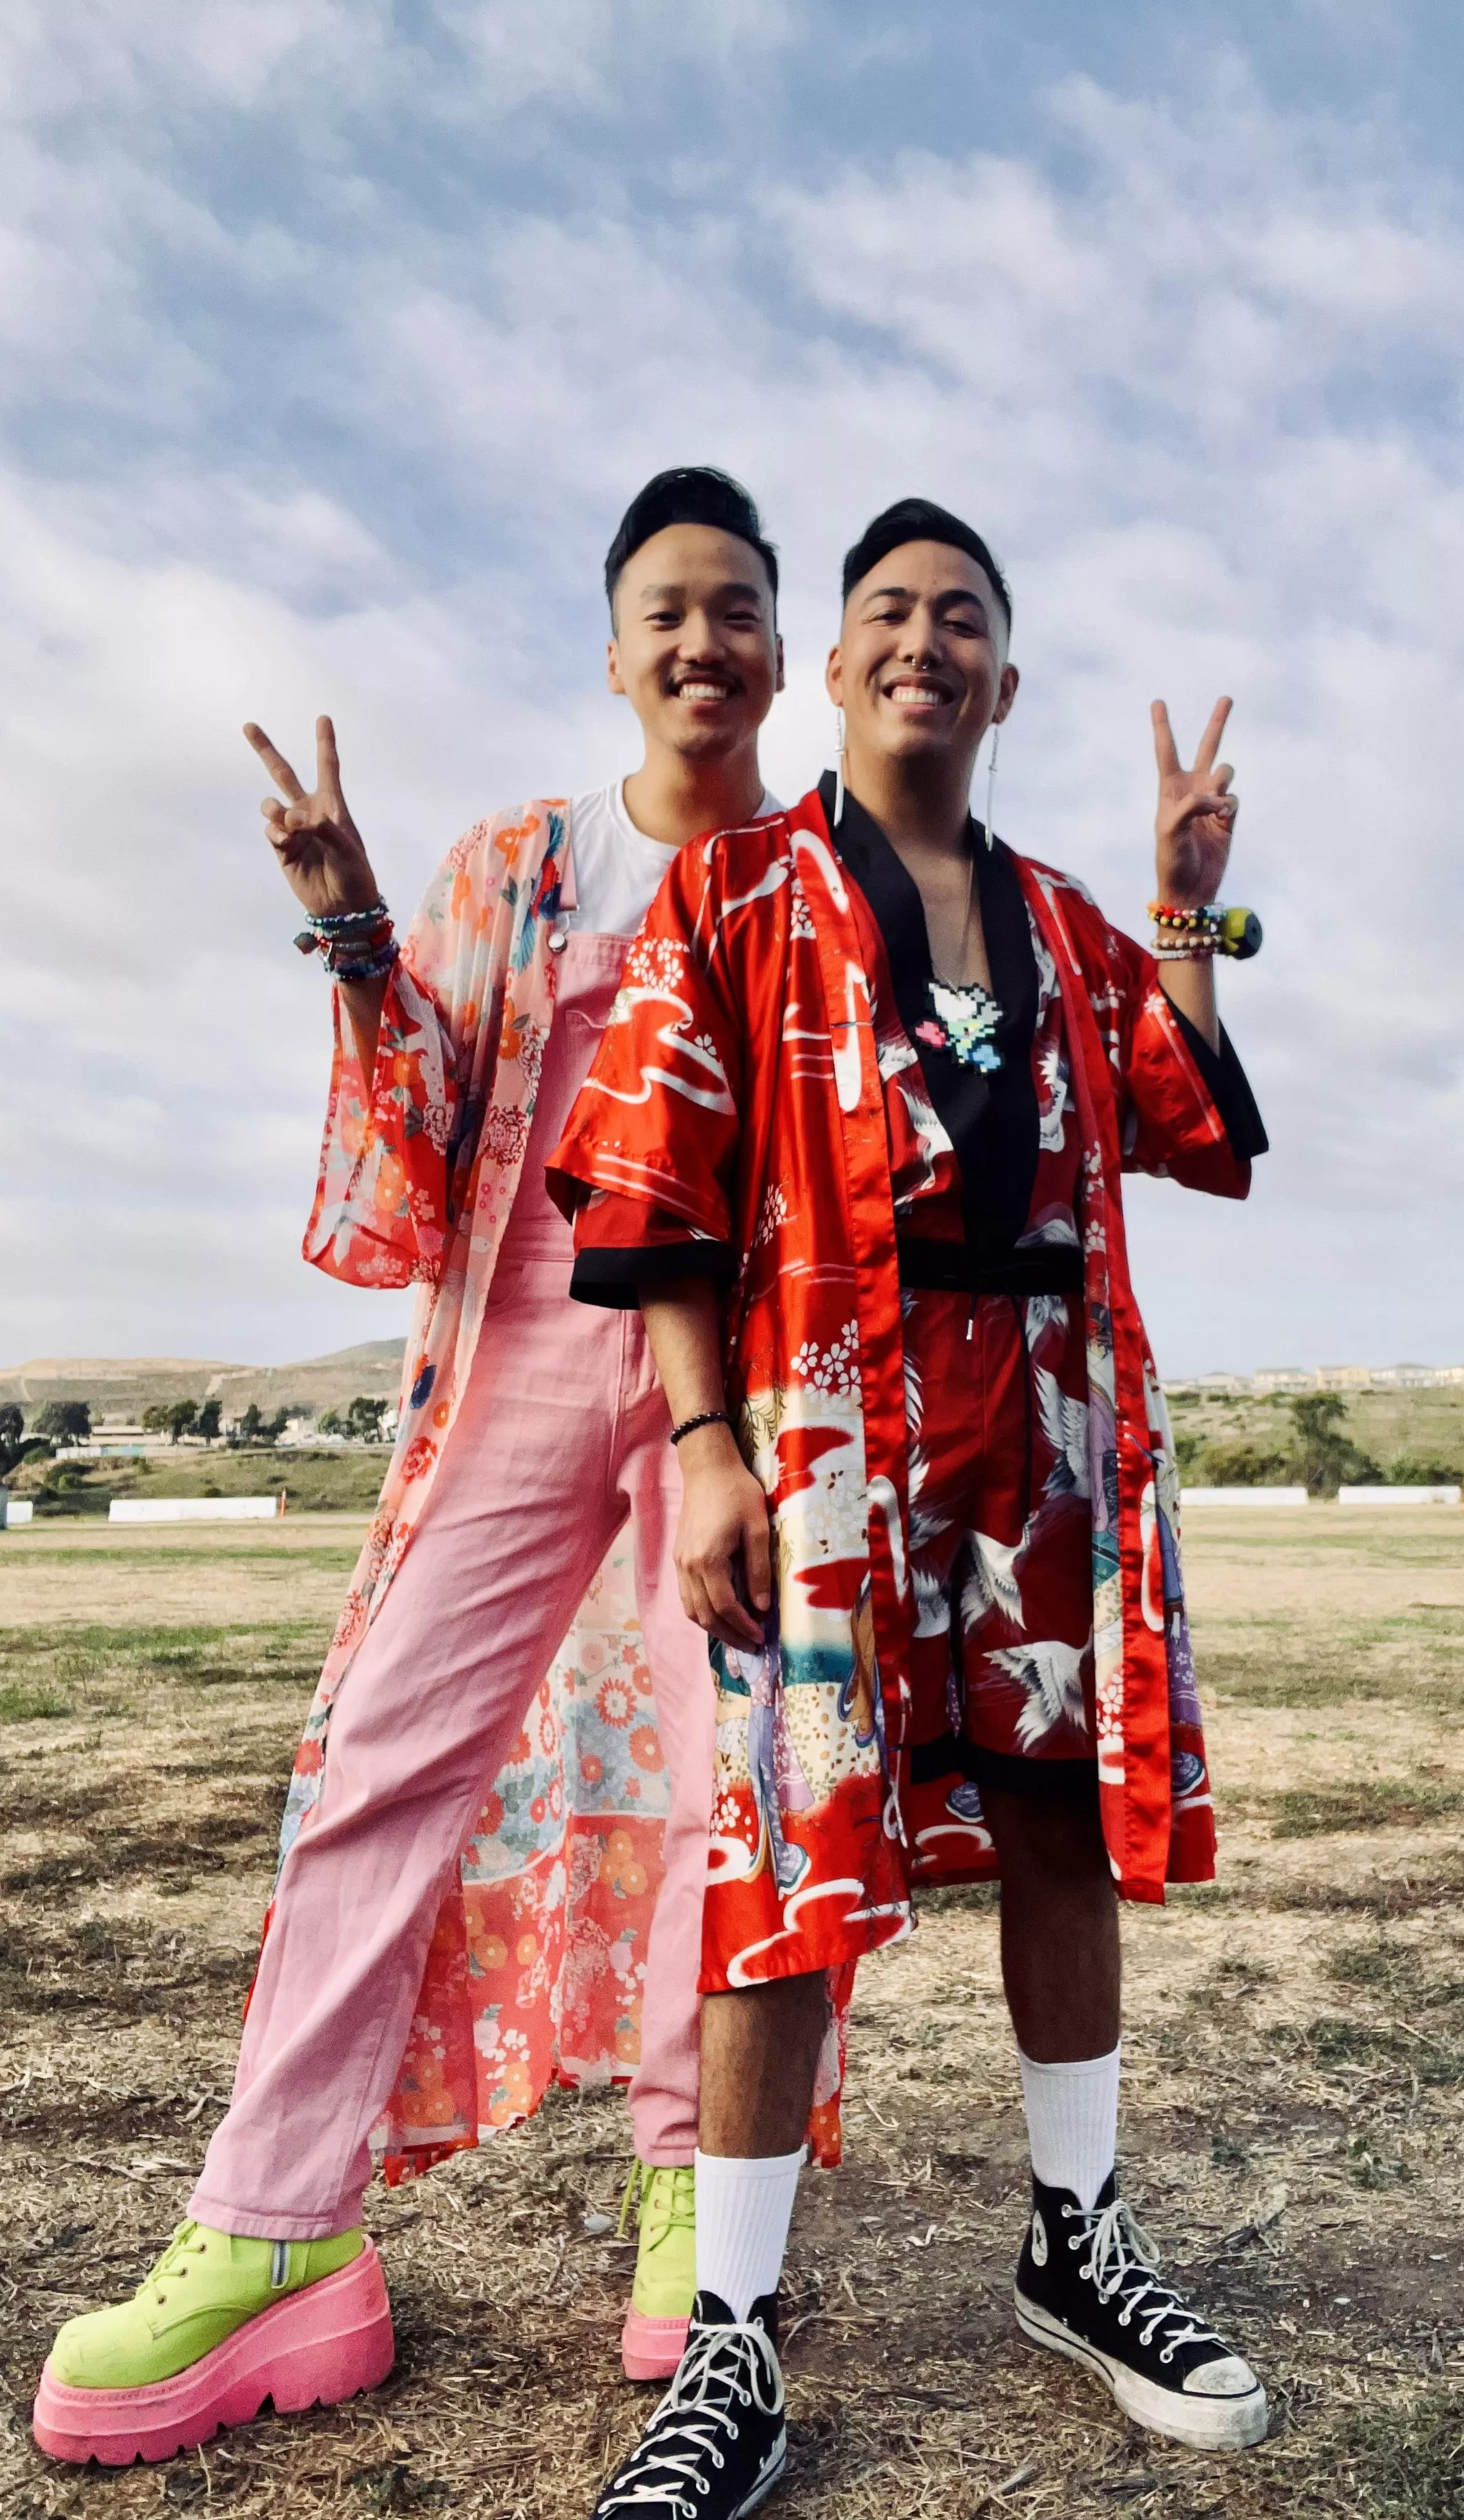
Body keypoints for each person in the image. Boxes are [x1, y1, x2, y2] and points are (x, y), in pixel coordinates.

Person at [31, 468, 795, 2469]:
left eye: (733, 605)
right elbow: (424, 1131)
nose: (700, 639)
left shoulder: (821, 881)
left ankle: (698, 2187)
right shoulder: (519, 864)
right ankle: (277, 2222)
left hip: (745, 1373)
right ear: (614, 652)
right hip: (530, 1343)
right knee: (380, 1752)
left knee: (734, 1780)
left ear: (781, 647)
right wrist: (351, 928)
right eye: (664, 608)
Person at [551, 498, 1273, 2519]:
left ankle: (1076, 2238)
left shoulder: (1066, 921)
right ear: (835, 662)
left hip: (1045, 1422)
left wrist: (1188, 910)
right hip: (826, 1417)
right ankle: (731, 2339)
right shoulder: (736, 891)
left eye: (962, 616)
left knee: (1059, 1823)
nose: (922, 640)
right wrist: (705, 1441)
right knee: (786, 1849)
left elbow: (1190, 1117)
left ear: (1003, 679)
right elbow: (657, 1187)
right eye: (888, 609)